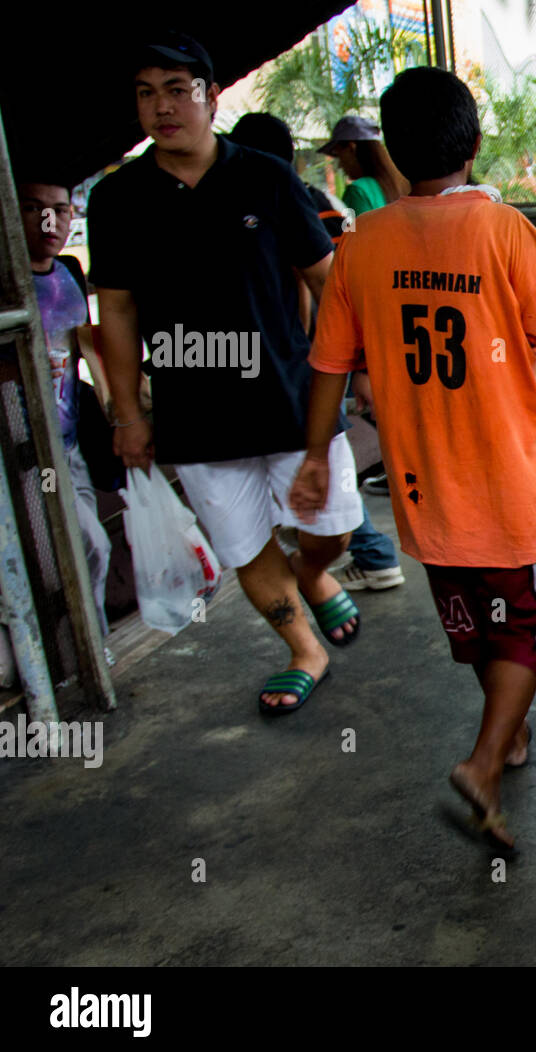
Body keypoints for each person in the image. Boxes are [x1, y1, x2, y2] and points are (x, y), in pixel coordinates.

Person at [290, 66, 536, 848]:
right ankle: (483, 761)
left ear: (391, 153)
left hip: (425, 491)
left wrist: (318, 454)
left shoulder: (362, 243)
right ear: (475, 146)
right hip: (508, 485)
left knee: (481, 625)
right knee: (523, 630)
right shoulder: (501, 229)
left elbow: (328, 363)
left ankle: (508, 736)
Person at [89, 30, 364, 714]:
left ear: (211, 98)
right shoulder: (117, 199)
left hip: (291, 398)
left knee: (332, 525)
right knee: (244, 547)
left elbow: (327, 280)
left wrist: (362, 373)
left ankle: (315, 573)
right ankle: (305, 648)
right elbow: (117, 310)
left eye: (177, 91)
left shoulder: (266, 177)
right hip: (195, 416)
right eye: (146, 94)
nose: (162, 108)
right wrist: (128, 413)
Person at [227, 112, 404, 591]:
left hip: (311, 361)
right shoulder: (331, 200)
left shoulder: (287, 202)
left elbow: (320, 289)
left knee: (315, 461)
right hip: (348, 344)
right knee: (323, 458)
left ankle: (367, 552)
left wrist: (347, 363)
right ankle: (365, 549)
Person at [14, 176, 113, 652]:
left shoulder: (69, 273)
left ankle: (90, 647)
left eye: (62, 208)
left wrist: (121, 405)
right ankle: (78, 651)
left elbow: (85, 346)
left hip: (68, 444)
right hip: (22, 450)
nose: (50, 221)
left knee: (90, 550)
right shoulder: (8, 283)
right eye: (34, 208)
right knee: (76, 551)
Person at [320, 115, 410, 498]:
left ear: (352, 148)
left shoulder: (358, 193)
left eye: (339, 155)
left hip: (378, 302)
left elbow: (357, 255)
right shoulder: (401, 185)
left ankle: (403, 470)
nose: (339, 165)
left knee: (376, 398)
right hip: (410, 299)